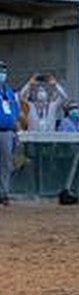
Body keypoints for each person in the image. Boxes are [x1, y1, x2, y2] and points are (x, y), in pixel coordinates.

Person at [0, 60, 20, 204]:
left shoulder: (9, 92)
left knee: (6, 164)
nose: (2, 74)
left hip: (8, 132)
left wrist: (15, 128)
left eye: (3, 71)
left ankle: (3, 193)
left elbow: (15, 111)